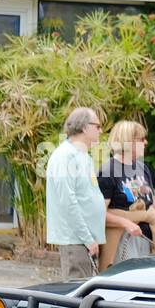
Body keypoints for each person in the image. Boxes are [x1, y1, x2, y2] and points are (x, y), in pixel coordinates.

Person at [97, 120, 155, 269]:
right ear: (128, 141)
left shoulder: (142, 168)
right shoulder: (108, 172)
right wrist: (126, 223)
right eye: (141, 139)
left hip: (148, 240)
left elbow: (153, 205)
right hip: (122, 242)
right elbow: (98, 214)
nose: (146, 142)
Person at [45, 107, 106, 278]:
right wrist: (87, 238)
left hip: (84, 240)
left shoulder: (82, 156)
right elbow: (67, 202)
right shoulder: (65, 156)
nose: (101, 130)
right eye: (98, 126)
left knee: (87, 295)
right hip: (75, 240)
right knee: (77, 298)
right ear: (85, 127)